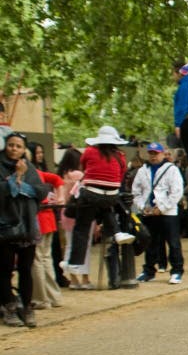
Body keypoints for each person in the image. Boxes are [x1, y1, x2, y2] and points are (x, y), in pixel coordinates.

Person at [66, 126, 136, 274]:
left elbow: (84, 167)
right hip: (112, 194)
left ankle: (75, 262)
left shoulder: (90, 151)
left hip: (91, 193)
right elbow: (122, 173)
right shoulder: (120, 156)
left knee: (82, 228)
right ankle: (117, 232)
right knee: (106, 206)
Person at [0, 132, 49, 327]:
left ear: (23, 149)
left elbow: (40, 191)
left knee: (26, 269)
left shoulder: (30, 167)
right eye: (11, 145)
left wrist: (21, 184)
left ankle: (27, 307)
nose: (14, 149)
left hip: (28, 225)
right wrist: (16, 179)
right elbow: (5, 192)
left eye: (18, 146)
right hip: (5, 227)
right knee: (3, 270)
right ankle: (10, 307)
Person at [132, 142, 185, 284]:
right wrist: (143, 207)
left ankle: (177, 270)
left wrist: (162, 207)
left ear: (162, 153)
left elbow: (177, 191)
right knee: (151, 242)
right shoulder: (142, 171)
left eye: (156, 153)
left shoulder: (171, 170)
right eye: (151, 153)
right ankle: (149, 270)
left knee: (173, 242)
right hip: (148, 213)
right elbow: (136, 191)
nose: (153, 156)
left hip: (168, 213)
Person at [57, 148, 94, 290]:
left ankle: (73, 278)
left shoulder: (62, 175)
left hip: (66, 214)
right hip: (83, 214)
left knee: (70, 245)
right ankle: (85, 278)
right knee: (85, 246)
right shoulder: (79, 175)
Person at [30, 164, 65, 309]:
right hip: (48, 220)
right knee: (46, 258)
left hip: (38, 220)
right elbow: (57, 180)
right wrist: (61, 197)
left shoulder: (29, 174)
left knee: (37, 259)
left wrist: (60, 197)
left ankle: (41, 299)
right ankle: (54, 297)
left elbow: (57, 180)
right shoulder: (38, 172)